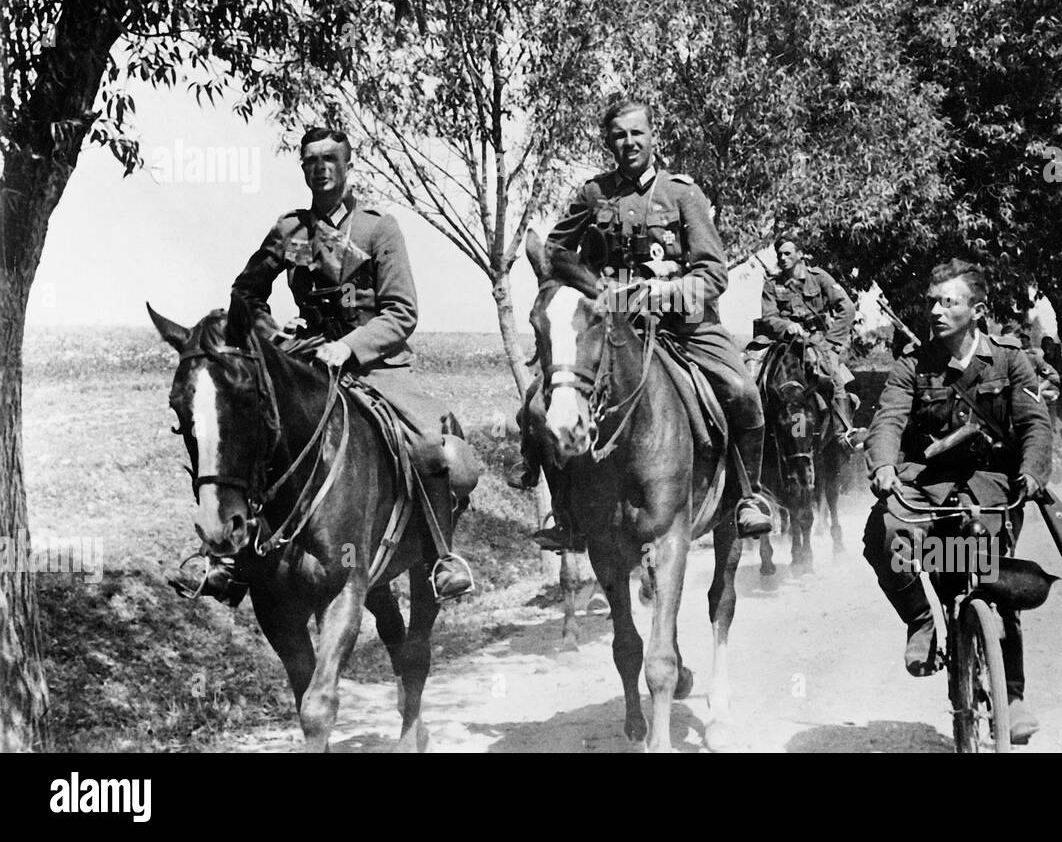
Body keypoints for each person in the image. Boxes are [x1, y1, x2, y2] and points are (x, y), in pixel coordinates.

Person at [168, 127, 476, 603]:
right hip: (307, 357)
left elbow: (401, 311)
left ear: (348, 166)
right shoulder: (289, 230)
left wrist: (351, 346)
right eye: (311, 160)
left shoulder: (378, 228)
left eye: (331, 158)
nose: (321, 167)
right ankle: (229, 562)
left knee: (428, 444)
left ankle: (440, 558)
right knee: (245, 425)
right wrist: (275, 335)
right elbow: (245, 294)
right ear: (304, 169)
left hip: (374, 364)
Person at [507, 99, 775, 549]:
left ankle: (748, 496)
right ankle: (567, 513)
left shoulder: (681, 192)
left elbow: (713, 275)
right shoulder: (593, 194)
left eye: (636, 133)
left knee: (743, 392)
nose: (628, 143)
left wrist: (656, 292)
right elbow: (555, 256)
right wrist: (589, 288)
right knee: (539, 404)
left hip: (686, 328)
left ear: (654, 135)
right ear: (608, 141)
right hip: (616, 332)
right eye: (618, 135)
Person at [862, 259, 1052, 744]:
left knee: (993, 576)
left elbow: (1035, 424)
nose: (936, 310)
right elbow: (887, 420)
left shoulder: (1010, 361)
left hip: (990, 482)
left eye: (948, 302)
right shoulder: (911, 364)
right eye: (932, 301)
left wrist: (1031, 473)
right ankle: (921, 621)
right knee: (887, 536)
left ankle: (1012, 697)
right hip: (926, 482)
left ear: (977, 310)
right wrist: (883, 465)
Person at [754, 236, 863, 450]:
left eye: (787, 253)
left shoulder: (819, 277)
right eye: (779, 254)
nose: (782, 258)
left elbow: (847, 308)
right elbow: (768, 316)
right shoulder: (772, 284)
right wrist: (786, 325)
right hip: (786, 344)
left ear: (800, 254)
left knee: (832, 375)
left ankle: (844, 432)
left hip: (818, 341)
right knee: (755, 372)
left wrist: (832, 342)